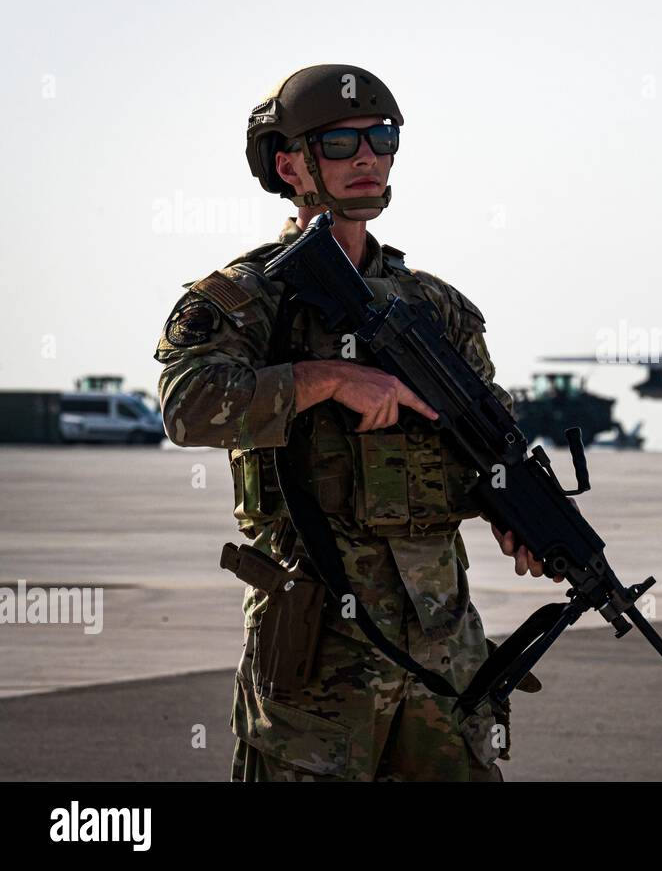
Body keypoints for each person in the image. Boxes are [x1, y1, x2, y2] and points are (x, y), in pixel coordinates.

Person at [154, 64, 554, 781]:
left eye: (383, 137)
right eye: (341, 144)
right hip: (317, 658)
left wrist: (510, 506)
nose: (368, 157)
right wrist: (328, 378)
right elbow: (188, 406)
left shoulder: (437, 308)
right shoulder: (248, 300)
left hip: (441, 656)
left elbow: (484, 438)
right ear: (289, 164)